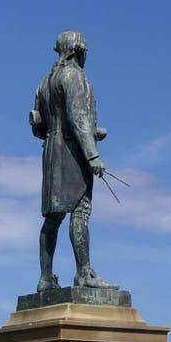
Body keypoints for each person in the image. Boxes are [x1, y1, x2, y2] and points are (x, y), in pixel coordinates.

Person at [30, 30, 109, 293]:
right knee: (80, 210)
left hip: (51, 151)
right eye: (85, 51)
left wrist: (91, 132)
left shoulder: (45, 81)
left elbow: (39, 126)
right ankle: (83, 272)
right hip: (72, 152)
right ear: (77, 50)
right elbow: (77, 119)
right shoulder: (74, 76)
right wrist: (92, 153)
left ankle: (45, 278)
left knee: (52, 218)